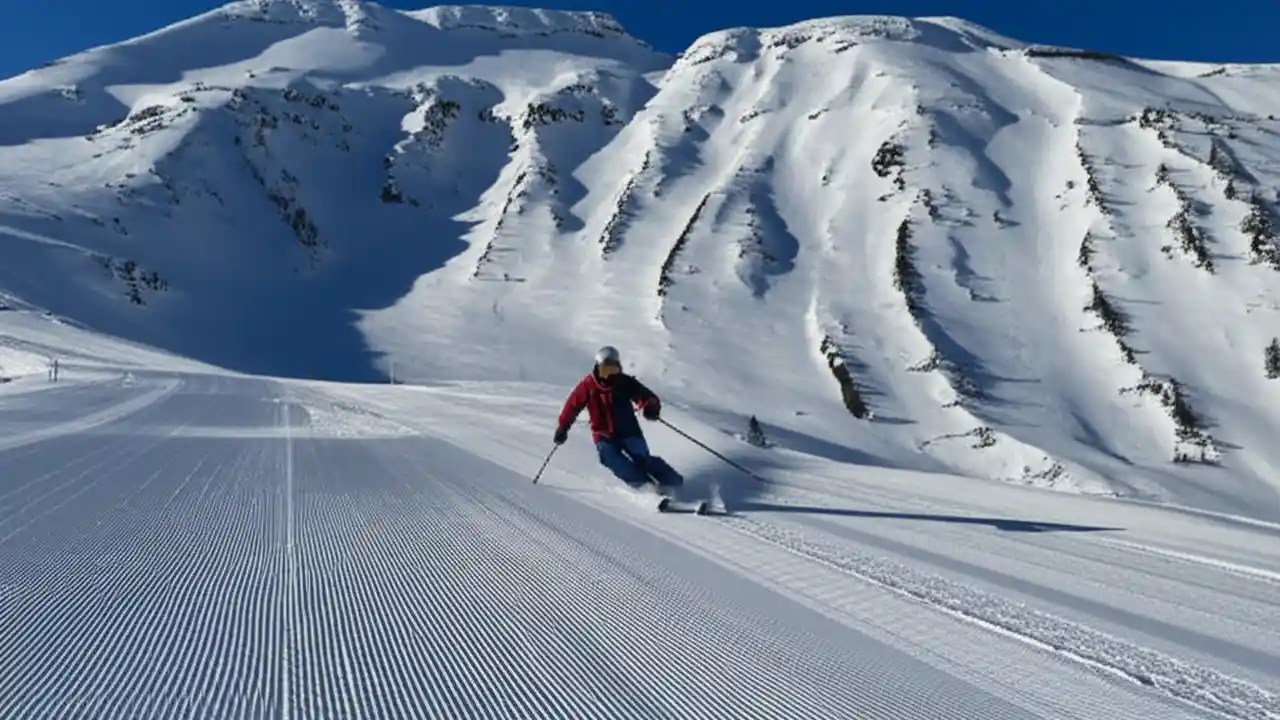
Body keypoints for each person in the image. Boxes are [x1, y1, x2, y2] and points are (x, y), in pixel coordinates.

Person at [555, 346, 682, 489]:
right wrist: (563, 428)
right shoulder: (588, 386)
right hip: (603, 433)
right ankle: (645, 487)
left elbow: (645, 396)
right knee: (611, 459)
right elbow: (572, 406)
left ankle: (673, 482)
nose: (609, 375)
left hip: (628, 429)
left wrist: (650, 407)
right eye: (605, 370)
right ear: (598, 368)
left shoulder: (624, 382)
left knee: (642, 458)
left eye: (613, 370)